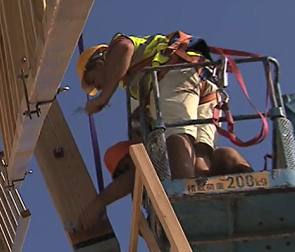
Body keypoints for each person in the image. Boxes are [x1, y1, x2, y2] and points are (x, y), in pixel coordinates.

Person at [78, 31, 222, 180]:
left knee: (175, 134)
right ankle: (203, 189)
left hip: (176, 72)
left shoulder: (115, 49)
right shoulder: (130, 80)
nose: (98, 86)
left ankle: (184, 190)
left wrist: (102, 98)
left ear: (98, 63)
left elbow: (124, 48)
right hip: (203, 77)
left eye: (93, 80)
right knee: (201, 147)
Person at [75, 140, 254, 233]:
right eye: (122, 171)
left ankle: (254, 194)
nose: (128, 169)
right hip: (187, 214)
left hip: (211, 199)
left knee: (226, 154)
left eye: (127, 162)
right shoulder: (143, 188)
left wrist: (98, 203)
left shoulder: (160, 159)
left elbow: (136, 173)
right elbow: (134, 177)